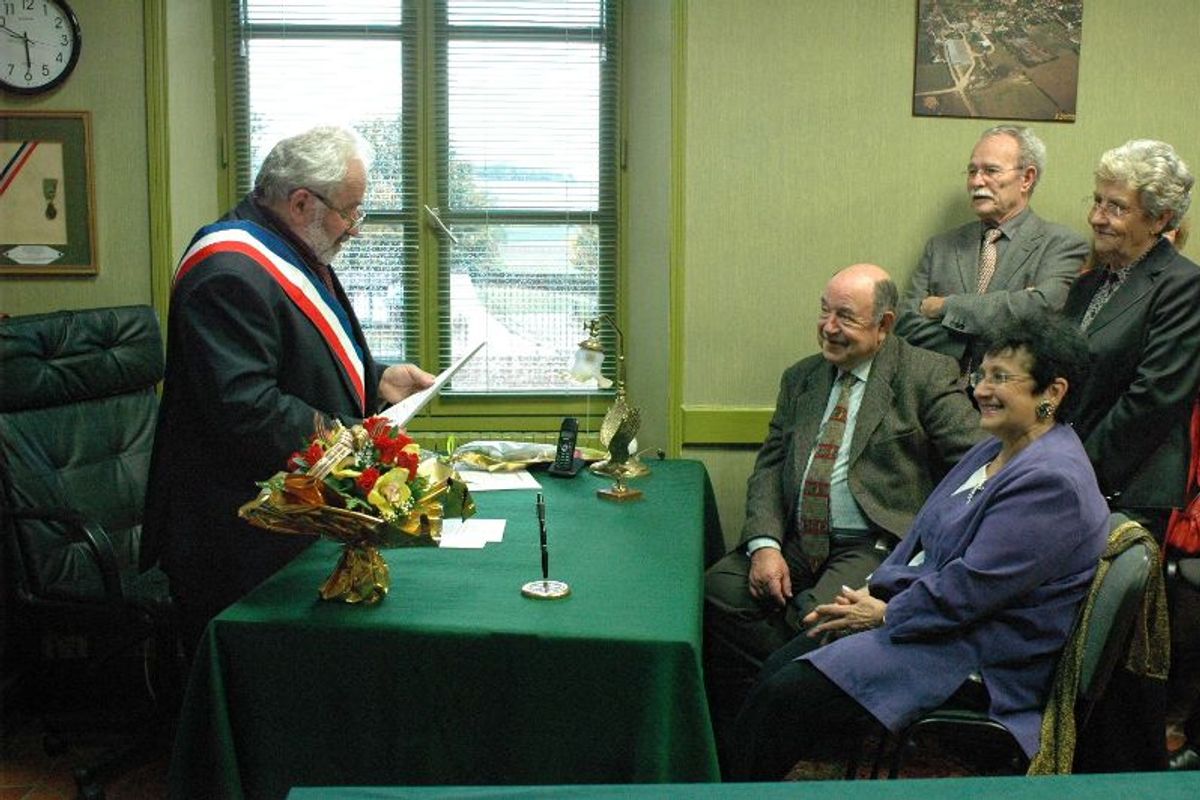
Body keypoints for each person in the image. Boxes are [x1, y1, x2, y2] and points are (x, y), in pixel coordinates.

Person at [728, 313, 1108, 780]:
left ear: (1053, 392)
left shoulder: (1053, 481)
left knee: (786, 698)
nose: (980, 390)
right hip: (935, 620)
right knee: (781, 667)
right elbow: (921, 537)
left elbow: (973, 588)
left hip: (981, 654)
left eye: (1000, 378)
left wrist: (886, 613)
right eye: (980, 375)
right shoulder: (996, 447)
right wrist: (878, 589)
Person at [142, 126, 434, 653]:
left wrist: (377, 378)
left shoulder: (290, 247)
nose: (355, 229)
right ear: (302, 202)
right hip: (237, 539)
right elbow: (247, 409)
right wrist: (357, 441)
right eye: (350, 212)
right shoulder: (229, 271)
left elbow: (296, 360)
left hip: (283, 516)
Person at [703, 263, 982, 764]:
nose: (829, 327)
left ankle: (771, 731)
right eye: (824, 311)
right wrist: (764, 544)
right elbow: (768, 468)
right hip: (794, 539)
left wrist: (930, 549)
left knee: (820, 614)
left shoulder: (926, 375)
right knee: (719, 592)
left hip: (872, 542)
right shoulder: (801, 378)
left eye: (846, 317)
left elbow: (976, 466)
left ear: (885, 325)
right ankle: (779, 710)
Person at [1061, 139, 1200, 771]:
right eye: (1097, 200)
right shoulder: (1094, 282)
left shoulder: (1182, 287)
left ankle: (1116, 774)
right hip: (1074, 477)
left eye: (1116, 207)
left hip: (1125, 490)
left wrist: (1072, 476)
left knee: (1113, 659)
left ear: (1160, 220)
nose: (1097, 217)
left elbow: (1152, 400)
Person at [896, 125, 1088, 371]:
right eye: (972, 171)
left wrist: (944, 307)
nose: (977, 181)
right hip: (936, 395)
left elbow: (1041, 311)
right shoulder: (940, 247)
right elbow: (906, 324)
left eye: (991, 171)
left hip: (1012, 400)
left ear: (1027, 178)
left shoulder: (1062, 244)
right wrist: (989, 336)